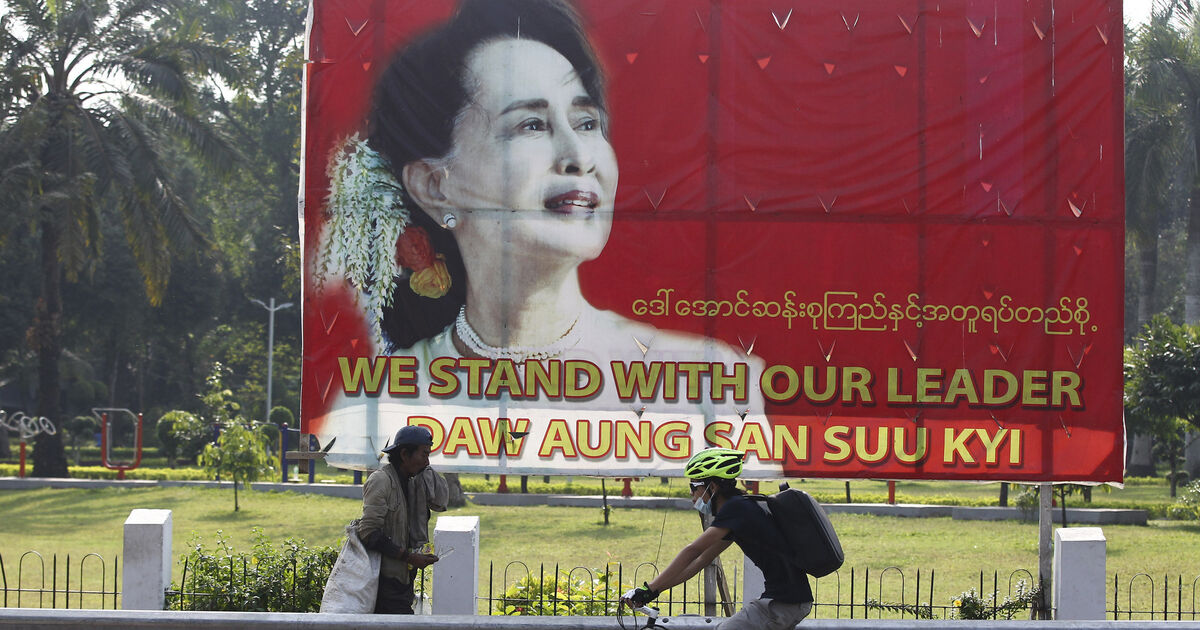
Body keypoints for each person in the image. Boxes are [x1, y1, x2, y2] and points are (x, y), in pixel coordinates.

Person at [315, 0, 768, 472]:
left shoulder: (708, 380)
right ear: (435, 185)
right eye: (531, 125)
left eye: (587, 122)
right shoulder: (381, 397)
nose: (579, 156)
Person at [623, 448, 813, 629]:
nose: (691, 493)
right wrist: (653, 592)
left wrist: (649, 588)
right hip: (788, 600)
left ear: (712, 487)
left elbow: (693, 550)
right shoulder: (739, 510)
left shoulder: (735, 509)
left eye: (694, 486)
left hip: (783, 602)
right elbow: (700, 560)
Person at [357, 425, 450, 614]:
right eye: (424, 454)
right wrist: (409, 557)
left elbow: (441, 502)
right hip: (383, 583)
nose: (427, 460)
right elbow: (369, 532)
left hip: (404, 581)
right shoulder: (381, 481)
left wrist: (427, 471)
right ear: (405, 454)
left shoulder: (415, 481)